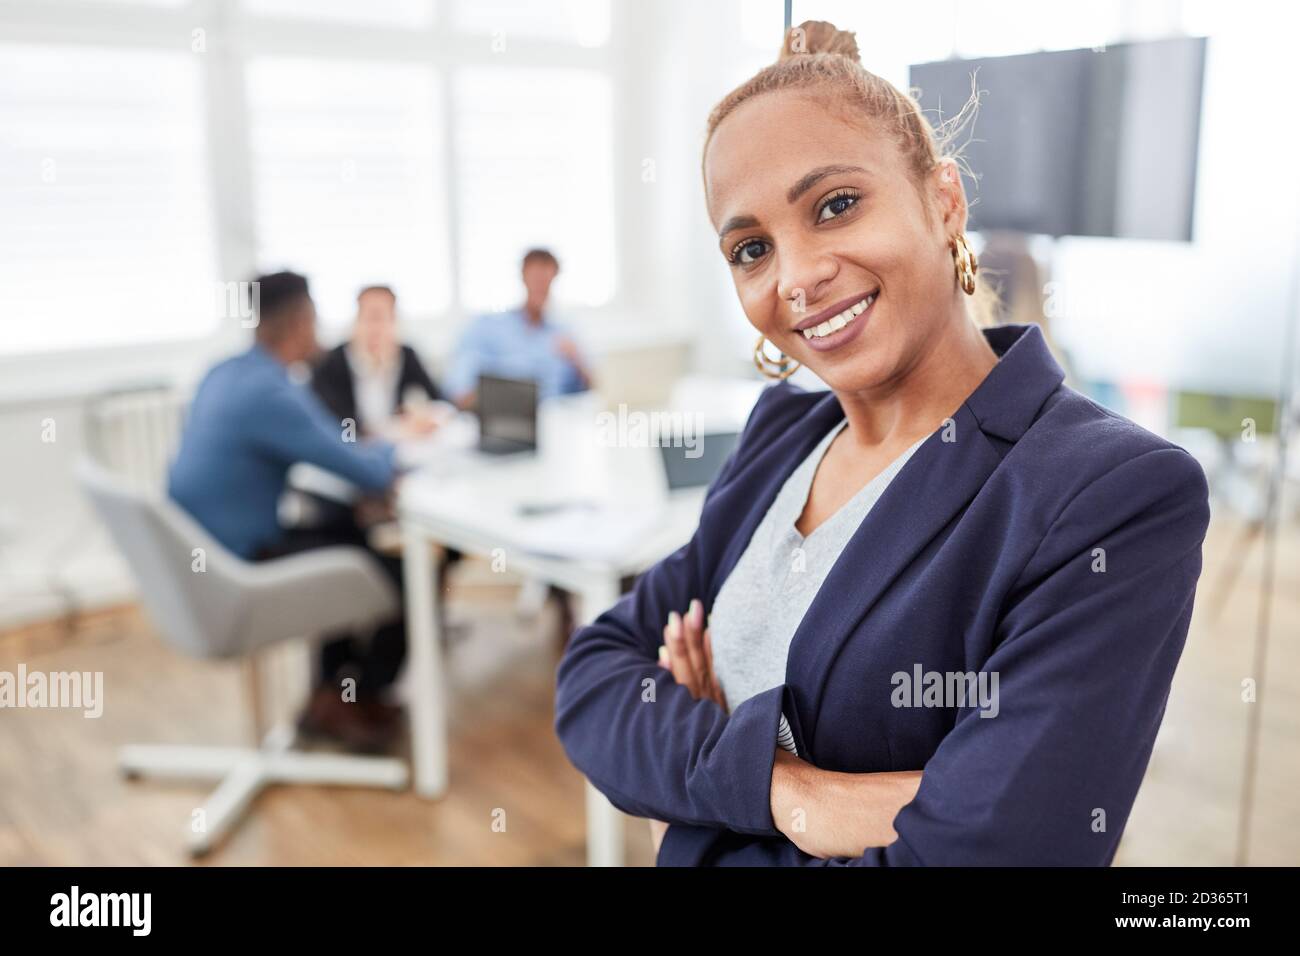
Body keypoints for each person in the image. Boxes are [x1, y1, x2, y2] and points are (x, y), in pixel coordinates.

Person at [553, 21, 1211, 866]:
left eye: (835, 205)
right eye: (751, 248)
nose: (795, 277)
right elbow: (595, 674)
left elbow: (998, 854)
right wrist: (788, 790)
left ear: (944, 201)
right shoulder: (780, 439)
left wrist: (679, 820)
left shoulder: (1109, 494)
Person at [168, 271, 404, 753]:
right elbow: (365, 469)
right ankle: (359, 691)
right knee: (399, 567)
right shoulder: (270, 392)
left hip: (203, 556)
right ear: (300, 320)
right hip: (242, 564)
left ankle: (333, 694)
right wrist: (395, 442)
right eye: (315, 317)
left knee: (344, 530)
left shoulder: (225, 372)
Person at [442, 248, 592, 408]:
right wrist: (469, 398)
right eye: (535, 279)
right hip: (504, 412)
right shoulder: (490, 327)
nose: (540, 286)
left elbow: (590, 388)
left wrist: (576, 360)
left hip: (551, 414)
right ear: (523, 277)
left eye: (545, 280)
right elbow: (461, 373)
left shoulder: (564, 335)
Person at [311, 285, 446, 442]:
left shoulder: (406, 356)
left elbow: (438, 400)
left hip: (399, 450)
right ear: (356, 320)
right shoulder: (331, 363)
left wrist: (421, 416)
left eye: (383, 318)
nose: (375, 329)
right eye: (369, 318)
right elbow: (333, 423)